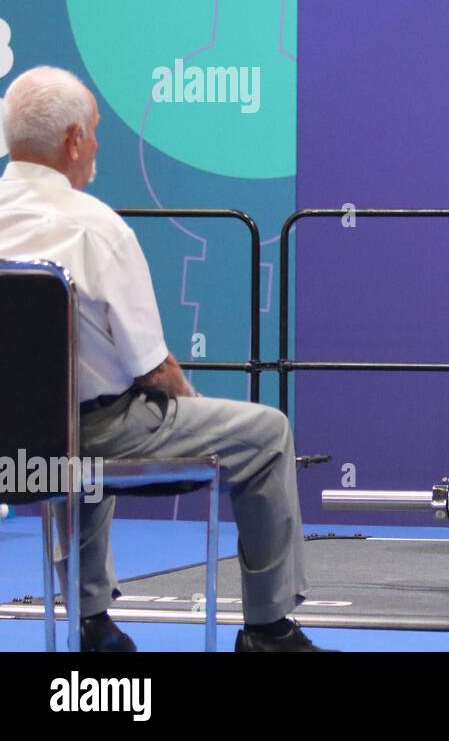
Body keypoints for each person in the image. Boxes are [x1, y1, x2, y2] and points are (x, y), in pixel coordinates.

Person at [0, 66, 330, 652]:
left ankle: (91, 622)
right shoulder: (95, 229)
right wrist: (192, 409)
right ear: (74, 141)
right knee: (266, 433)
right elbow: (152, 370)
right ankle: (269, 629)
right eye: (96, 131)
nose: (99, 144)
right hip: (91, 436)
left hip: (16, 448)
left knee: (66, 431)